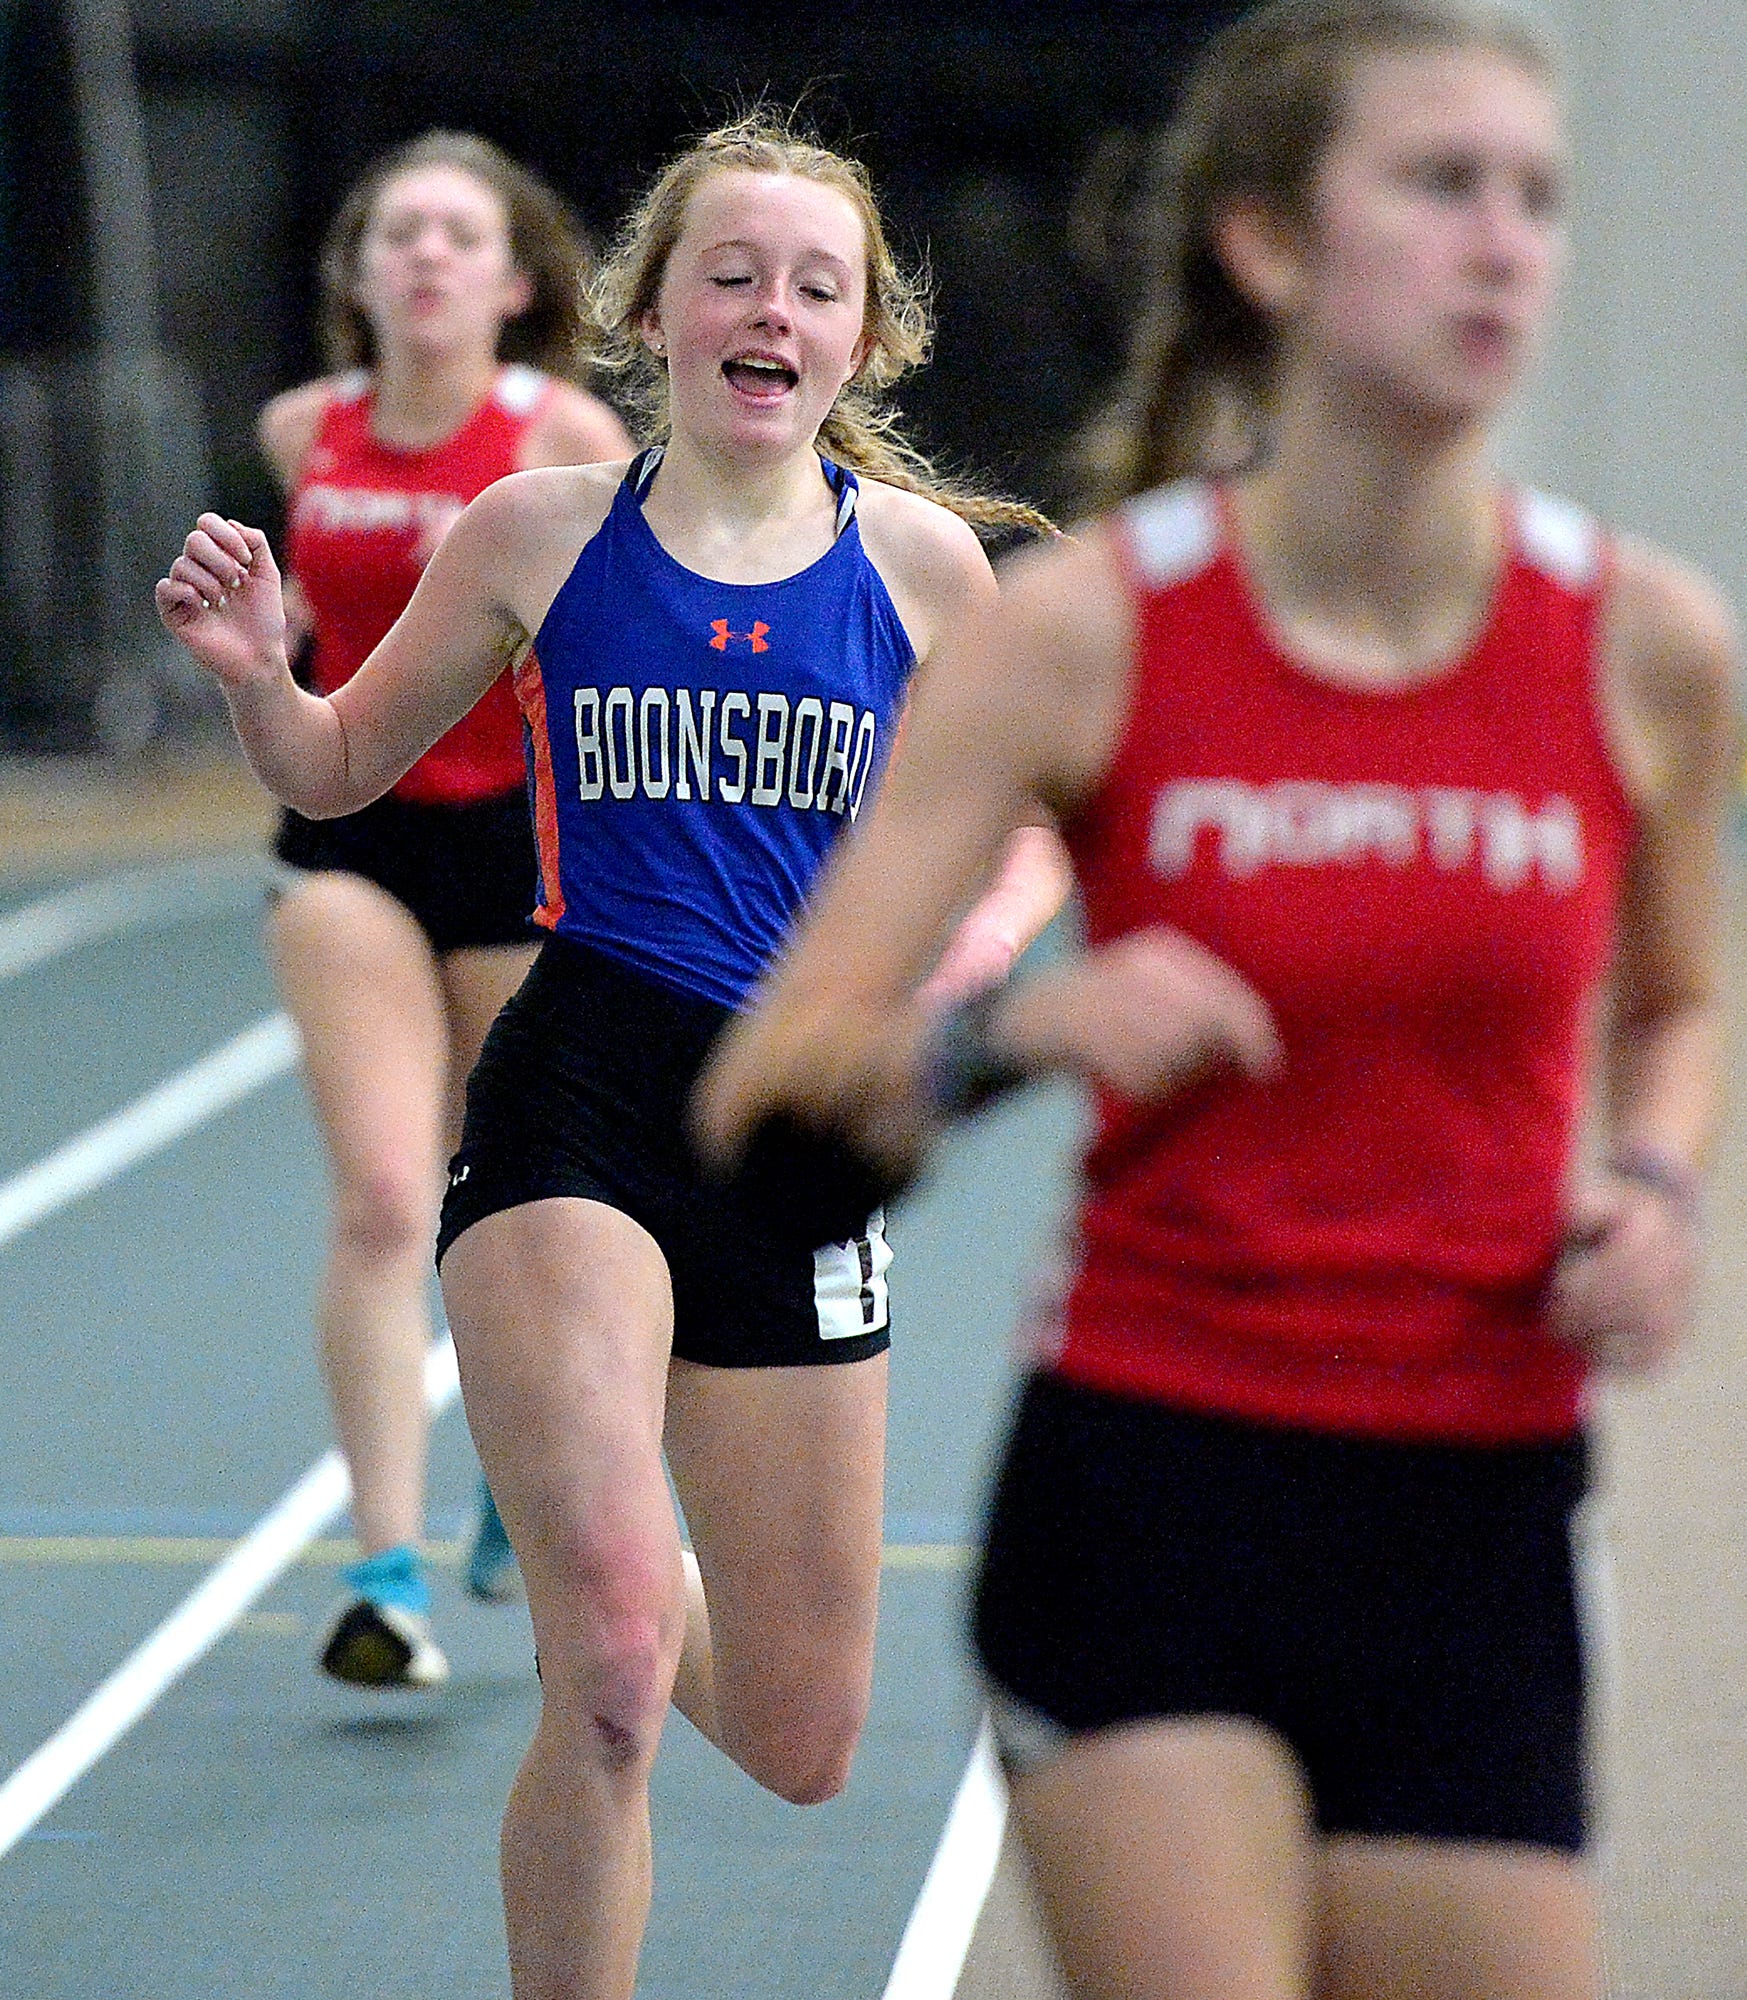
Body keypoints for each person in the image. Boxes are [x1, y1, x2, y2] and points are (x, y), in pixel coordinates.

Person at [694, 7, 1741, 1997]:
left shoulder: (1648, 645)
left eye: (1535, 197)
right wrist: (1011, 1030)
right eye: (1439, 186)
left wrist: (1657, 1193)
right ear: (1265, 244)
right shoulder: (1090, 635)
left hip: (1480, 1510)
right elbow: (772, 1090)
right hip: (1160, 1495)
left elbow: (1678, 1007)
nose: (1504, 243)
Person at [158, 112, 1065, 2000]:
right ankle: (607, 1624)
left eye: (815, 285)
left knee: (808, 1743)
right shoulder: (540, 531)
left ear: (865, 343)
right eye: (729, 272)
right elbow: (336, 768)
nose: (770, 307)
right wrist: (259, 676)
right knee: (618, 1681)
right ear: (651, 313)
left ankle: (626, 1601)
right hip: (578, 1094)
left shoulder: (922, 572)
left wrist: (960, 958)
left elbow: (1024, 828)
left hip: (794, 1131)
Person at [257, 131, 631, 1686]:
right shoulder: (303, 429)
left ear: (513, 278)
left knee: (518, 1203)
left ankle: (512, 1479)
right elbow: (309, 612)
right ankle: (383, 1577)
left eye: (454, 235)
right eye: (394, 231)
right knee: (385, 1202)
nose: (422, 256)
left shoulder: (564, 430)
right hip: (350, 836)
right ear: (357, 275)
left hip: (515, 851)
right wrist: (266, 634)